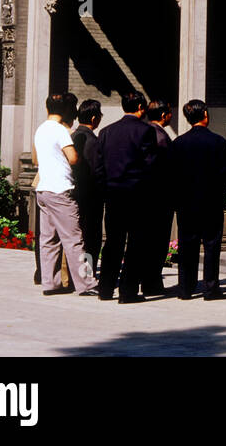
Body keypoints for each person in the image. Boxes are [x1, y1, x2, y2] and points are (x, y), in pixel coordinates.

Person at [32, 92, 98, 297]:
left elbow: (35, 160)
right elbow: (73, 157)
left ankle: (49, 283)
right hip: (60, 189)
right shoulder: (60, 130)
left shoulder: (40, 129)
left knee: (48, 239)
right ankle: (86, 283)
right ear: (65, 110)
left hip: (43, 188)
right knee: (75, 238)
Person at [97, 91, 159, 303]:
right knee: (135, 243)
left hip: (113, 194)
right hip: (137, 195)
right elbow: (150, 165)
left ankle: (105, 289)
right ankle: (128, 291)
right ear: (141, 108)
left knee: (113, 242)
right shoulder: (146, 131)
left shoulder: (106, 132)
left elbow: (99, 167)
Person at [171, 99, 226, 300]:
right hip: (211, 202)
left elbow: (172, 175)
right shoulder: (219, 142)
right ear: (205, 114)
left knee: (187, 244)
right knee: (212, 245)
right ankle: (210, 287)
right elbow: (225, 174)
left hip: (186, 203)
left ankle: (185, 288)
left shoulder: (178, 143)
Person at [143, 98, 174, 296]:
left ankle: (148, 279)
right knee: (158, 240)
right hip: (160, 196)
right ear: (163, 115)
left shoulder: (145, 132)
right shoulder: (160, 137)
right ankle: (152, 281)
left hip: (145, 195)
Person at [71, 98, 105, 278]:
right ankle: (87, 272)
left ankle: (76, 271)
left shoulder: (73, 136)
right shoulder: (93, 141)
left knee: (77, 235)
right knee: (91, 237)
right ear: (94, 118)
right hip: (91, 196)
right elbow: (97, 171)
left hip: (74, 193)